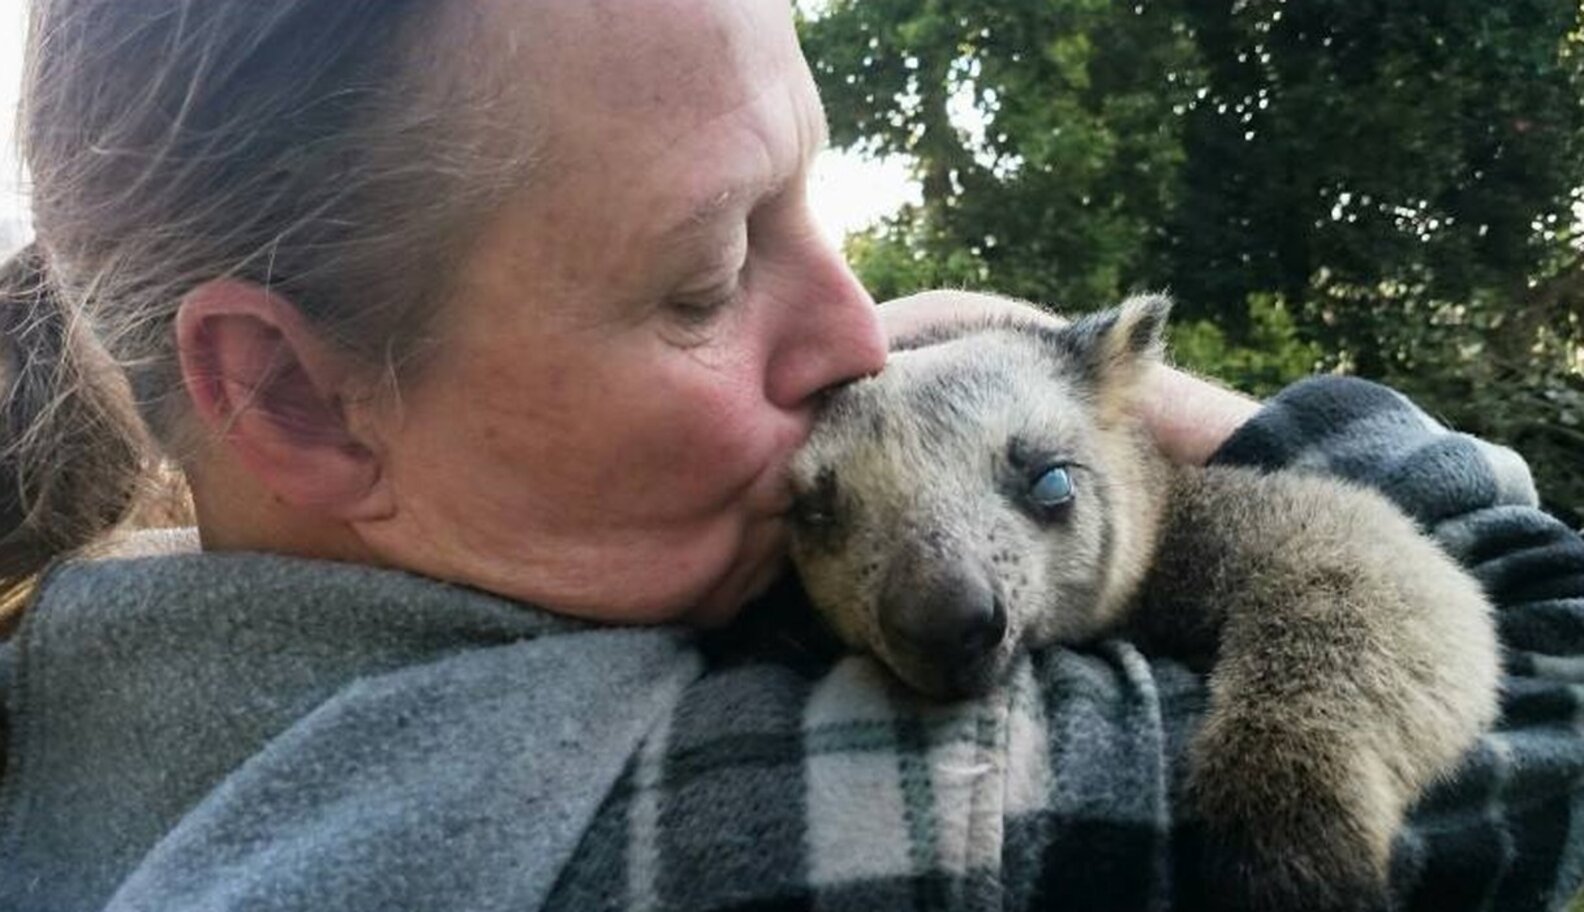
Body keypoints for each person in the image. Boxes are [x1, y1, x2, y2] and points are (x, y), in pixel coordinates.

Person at [0, 1, 1579, 910]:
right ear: (292, 399)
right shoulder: (758, 824)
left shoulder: (62, 683)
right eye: (701, 278)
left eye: (806, 205)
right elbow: (1550, 645)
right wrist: (1064, 366)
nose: (857, 333)